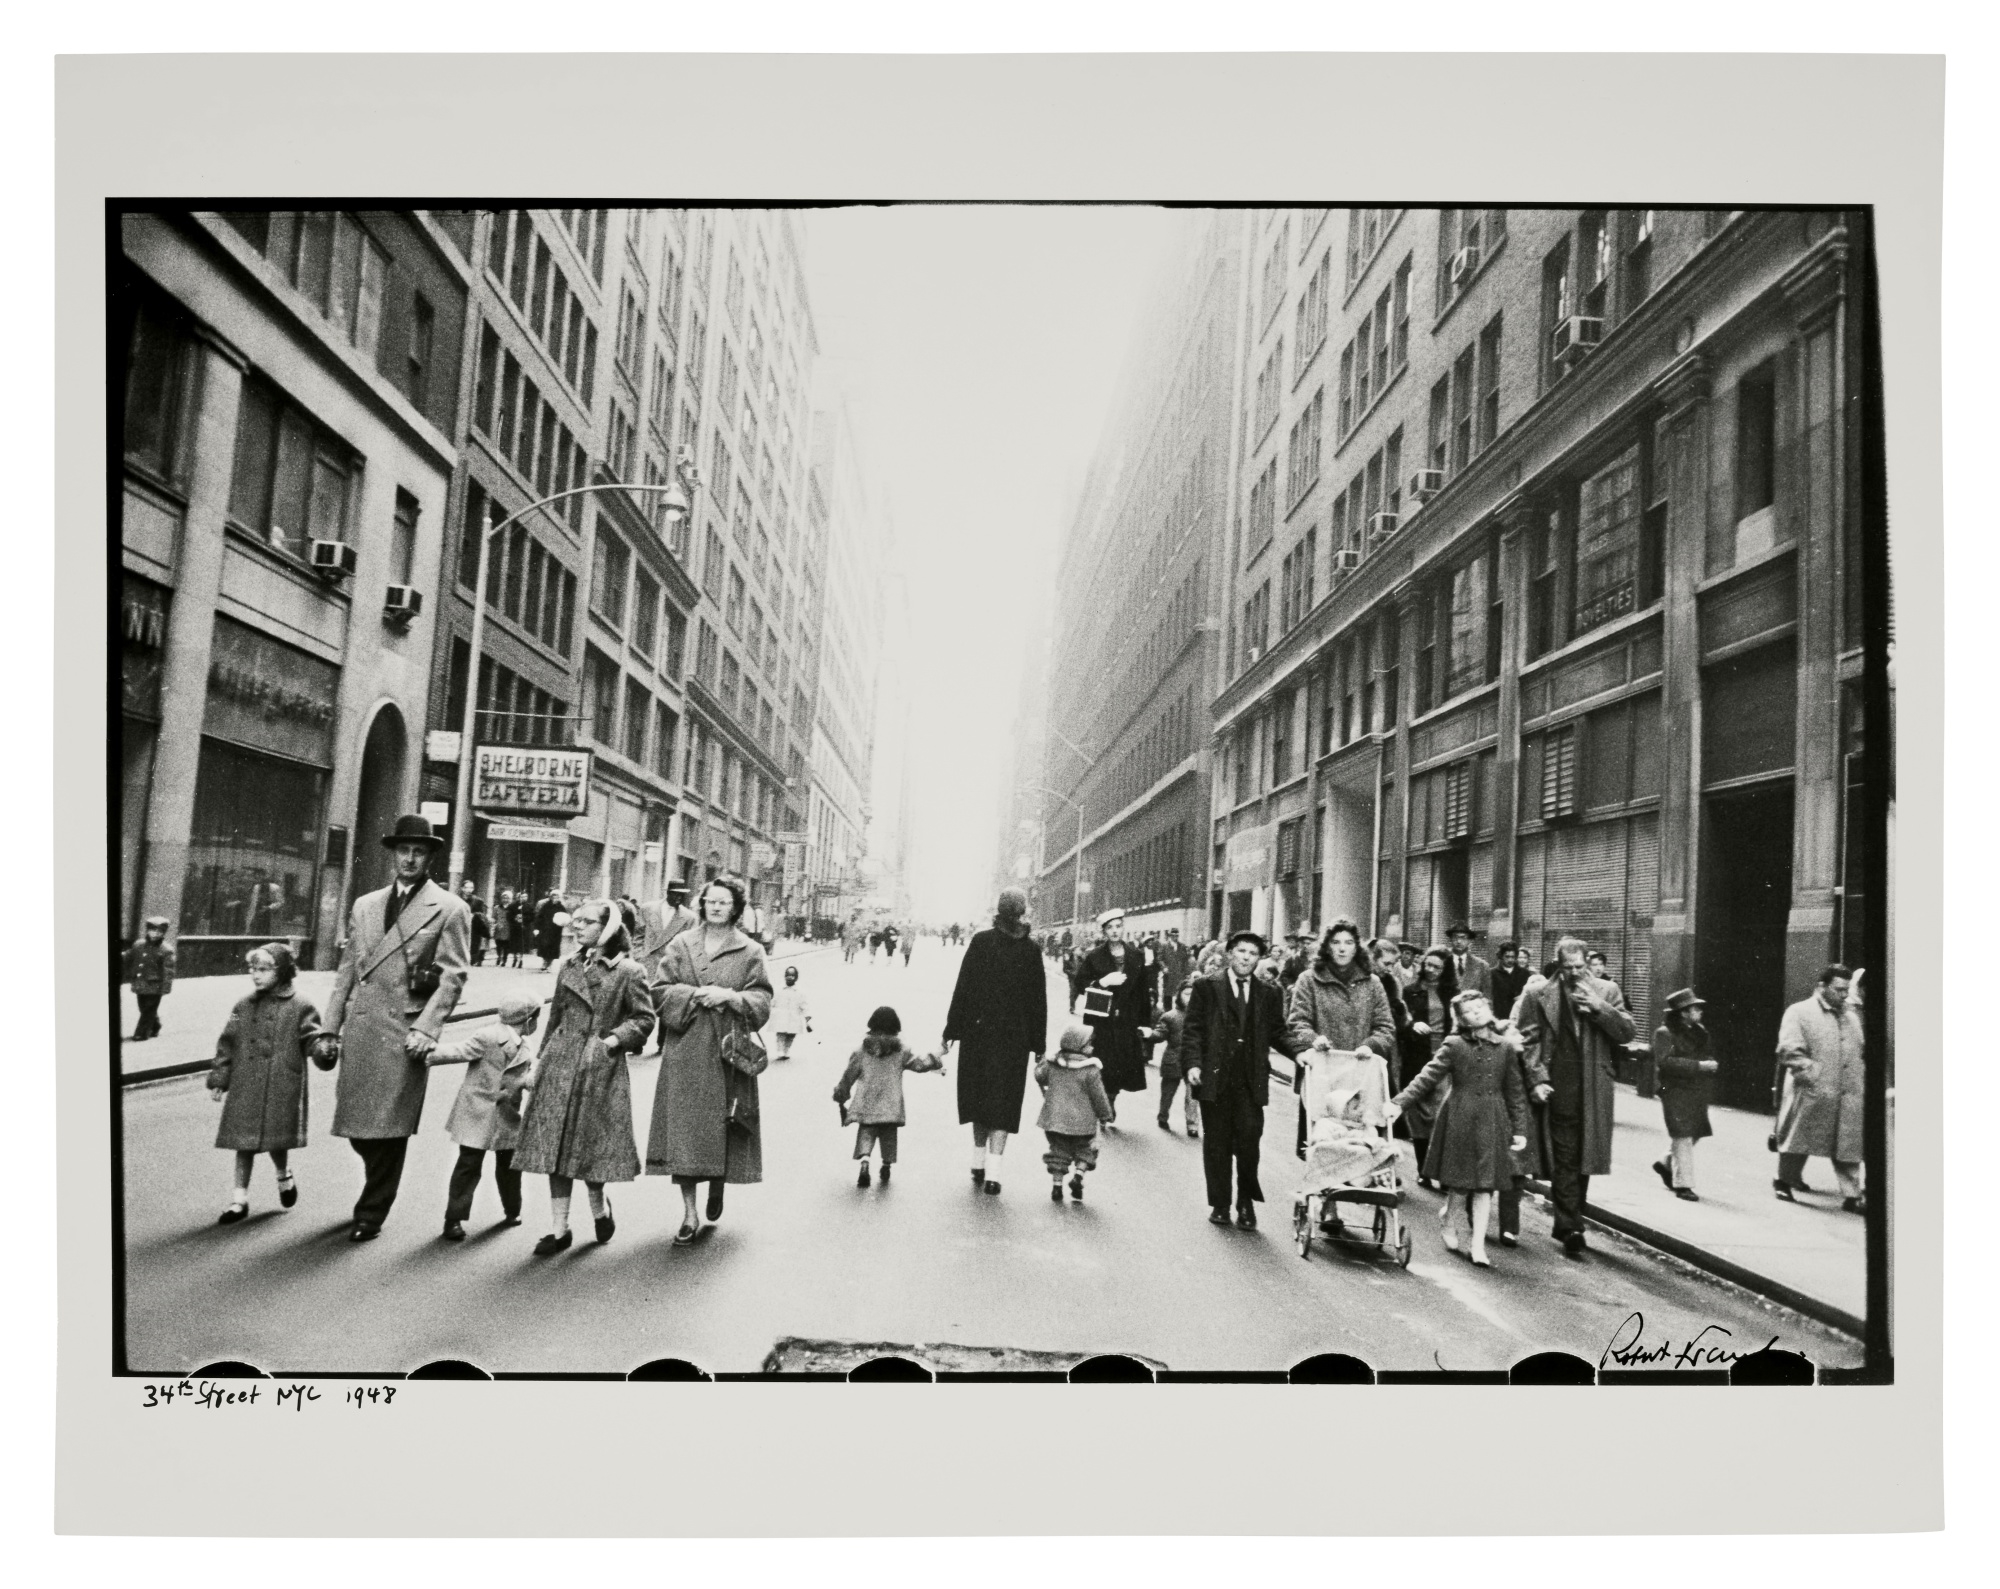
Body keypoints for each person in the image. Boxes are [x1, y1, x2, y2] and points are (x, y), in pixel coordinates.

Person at [316, 815, 472, 1242]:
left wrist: (428, 1029)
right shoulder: (365, 904)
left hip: (404, 1034)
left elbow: (453, 976)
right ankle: (374, 1189)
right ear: (393, 854)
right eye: (403, 850)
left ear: (429, 858)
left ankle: (371, 1211)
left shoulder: (451, 909)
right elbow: (347, 971)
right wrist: (329, 1029)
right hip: (363, 1028)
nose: (410, 858)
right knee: (357, 1128)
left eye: (418, 851)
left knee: (389, 1127)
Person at [510, 901, 653, 1254]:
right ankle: (559, 1230)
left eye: (587, 922)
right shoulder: (568, 965)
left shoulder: (629, 971)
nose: (577, 927)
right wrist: (538, 1064)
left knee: (592, 1149)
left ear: (607, 928)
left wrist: (612, 1040)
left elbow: (644, 1019)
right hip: (560, 1065)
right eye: (575, 921)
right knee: (555, 1151)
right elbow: (555, 1018)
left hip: (599, 1069)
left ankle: (599, 1208)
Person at [647, 877, 775, 1244]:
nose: (715, 907)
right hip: (686, 1048)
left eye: (724, 902)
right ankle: (689, 1214)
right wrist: (694, 995)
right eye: (710, 901)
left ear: (736, 908)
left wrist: (731, 998)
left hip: (728, 1052)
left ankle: (717, 1181)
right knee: (684, 1133)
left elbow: (763, 999)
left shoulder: (750, 951)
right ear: (701, 905)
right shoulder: (681, 944)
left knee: (723, 1125)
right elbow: (659, 991)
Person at [1385, 989, 1530, 1267]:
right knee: (1461, 1183)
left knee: (1485, 1185)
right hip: (1460, 1116)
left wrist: (1520, 1129)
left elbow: (1515, 1092)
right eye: (1469, 1010)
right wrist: (1399, 1103)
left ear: (1489, 1009)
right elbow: (1427, 1077)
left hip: (1493, 1118)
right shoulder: (1454, 1045)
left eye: (1480, 1006)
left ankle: (1477, 1246)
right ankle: (1449, 1219)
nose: (1477, 1012)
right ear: (1461, 1019)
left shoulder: (1505, 1047)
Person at [1516, 934, 1637, 1259]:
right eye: (1567, 967)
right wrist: (1537, 1079)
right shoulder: (1537, 993)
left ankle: (1568, 1220)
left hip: (1594, 1088)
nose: (1573, 973)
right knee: (1565, 1156)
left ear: (1588, 963)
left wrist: (1600, 1009)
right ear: (1558, 964)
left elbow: (1627, 1031)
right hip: (1558, 1086)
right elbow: (1528, 1039)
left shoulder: (1606, 991)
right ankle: (1571, 1226)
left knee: (1585, 1158)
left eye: (1579, 966)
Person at [1181, 930, 1306, 1229]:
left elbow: (1278, 1032)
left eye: (1252, 953)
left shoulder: (1269, 993)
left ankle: (1246, 1201)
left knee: (1250, 1141)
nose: (1246, 958)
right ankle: (1221, 1204)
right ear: (1230, 953)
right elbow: (1193, 1029)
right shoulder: (1206, 987)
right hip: (1215, 1078)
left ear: (1259, 958)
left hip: (1250, 1081)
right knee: (1218, 1144)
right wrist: (1193, 1064)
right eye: (1241, 951)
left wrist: (1301, 1052)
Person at [942, 888, 1047, 1195]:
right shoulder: (1031, 949)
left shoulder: (981, 942)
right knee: (1004, 1101)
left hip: (978, 1035)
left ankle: (977, 1161)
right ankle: (995, 1172)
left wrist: (951, 1032)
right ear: (1023, 913)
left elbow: (963, 988)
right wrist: (1038, 1044)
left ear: (998, 910)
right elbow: (1037, 1001)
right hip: (1013, 1040)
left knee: (978, 1097)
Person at [208, 942, 321, 1225]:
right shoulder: (242, 1006)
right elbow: (228, 1041)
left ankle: (283, 1175)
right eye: (252, 969)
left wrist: (322, 1048)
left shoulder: (301, 1004)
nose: (256, 975)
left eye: (263, 970)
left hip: (280, 1083)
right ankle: (238, 1200)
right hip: (247, 1083)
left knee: (274, 1140)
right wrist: (220, 1077)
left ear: (281, 972)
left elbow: (312, 1037)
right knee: (243, 1142)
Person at [427, 996, 540, 1239]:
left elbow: (527, 1068)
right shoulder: (488, 1036)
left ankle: (512, 1209)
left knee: (510, 1165)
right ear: (528, 1019)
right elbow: (459, 1051)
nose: (537, 1022)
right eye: (537, 1017)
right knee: (468, 1165)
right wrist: (426, 1052)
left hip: (507, 1113)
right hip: (478, 1110)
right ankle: (453, 1219)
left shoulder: (525, 1042)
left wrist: (531, 1079)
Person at [1286, 919, 1397, 1162]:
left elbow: (1386, 1027)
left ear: (1357, 947)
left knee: (1360, 1143)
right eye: (1336, 942)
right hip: (1323, 1072)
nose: (1342, 948)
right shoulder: (1309, 979)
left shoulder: (1372, 982)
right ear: (1327, 947)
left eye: (1348, 942)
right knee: (1320, 1142)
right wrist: (1313, 1040)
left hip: (1361, 1075)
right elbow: (1297, 1022)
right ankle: (1322, 1194)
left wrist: (1371, 1044)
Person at [1773, 964, 1866, 1211]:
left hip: (1848, 1092)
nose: (1844, 995)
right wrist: (1811, 1074)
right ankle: (1783, 1181)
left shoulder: (1850, 1017)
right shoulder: (1799, 1012)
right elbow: (1789, 1049)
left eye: (1847, 990)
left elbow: (1860, 1050)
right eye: (1838, 989)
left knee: (1848, 1144)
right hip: (1812, 1090)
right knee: (1798, 1139)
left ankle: (1852, 1194)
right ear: (1821, 987)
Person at [833, 1005, 944, 1188]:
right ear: (896, 1026)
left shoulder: (862, 1050)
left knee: (866, 1132)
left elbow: (849, 1075)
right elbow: (920, 1065)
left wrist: (841, 1094)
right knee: (888, 1135)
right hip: (891, 1104)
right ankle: (886, 1165)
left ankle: (865, 1162)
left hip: (866, 1102)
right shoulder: (902, 1050)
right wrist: (935, 1057)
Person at [1069, 907, 1154, 1124]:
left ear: (1123, 927)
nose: (1115, 931)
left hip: (1127, 1018)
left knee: (1121, 1065)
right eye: (1110, 928)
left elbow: (1144, 992)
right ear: (1104, 931)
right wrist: (1102, 982)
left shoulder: (1136, 955)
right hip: (1101, 1017)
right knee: (1101, 1062)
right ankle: (1103, 1103)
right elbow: (1079, 983)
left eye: (1118, 926)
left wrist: (1146, 1023)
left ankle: (1111, 1100)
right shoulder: (1095, 956)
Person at [1650, 987, 1718, 1203]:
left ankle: (1665, 1162)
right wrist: (1700, 1066)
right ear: (1683, 1012)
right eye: (1696, 1008)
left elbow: (1705, 1053)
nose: (1700, 1011)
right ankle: (1684, 1184)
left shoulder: (1699, 1031)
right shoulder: (1665, 1033)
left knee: (1694, 1131)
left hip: (1695, 1089)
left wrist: (1709, 1064)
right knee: (1683, 1135)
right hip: (1674, 1090)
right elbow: (1665, 1062)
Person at [1400, 947, 1460, 1187]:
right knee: (1419, 1117)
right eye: (1428, 965)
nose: (1431, 970)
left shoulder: (1453, 993)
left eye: (1437, 967)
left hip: (1445, 1058)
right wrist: (1412, 1025)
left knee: (1441, 1115)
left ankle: (1443, 1172)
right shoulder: (1410, 991)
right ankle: (1424, 1170)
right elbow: (1400, 1023)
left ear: (1446, 971)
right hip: (1418, 1057)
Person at [1036, 1022, 1115, 1203]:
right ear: (1080, 1046)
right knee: (1086, 1150)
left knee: (1058, 1152)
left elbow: (1039, 1075)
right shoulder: (1090, 1070)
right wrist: (1105, 1115)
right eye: (1089, 1044)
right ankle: (1078, 1175)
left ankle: (1057, 1187)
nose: (1092, 1047)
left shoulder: (1054, 1064)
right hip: (1083, 1123)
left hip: (1055, 1121)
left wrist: (1044, 1060)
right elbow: (1099, 1096)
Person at [1155, 983, 1199, 1138]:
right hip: (1173, 1059)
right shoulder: (1170, 1016)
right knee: (1168, 1092)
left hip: (1194, 1062)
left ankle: (1192, 1125)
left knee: (1193, 1095)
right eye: (1186, 994)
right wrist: (1149, 1035)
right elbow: (1160, 1034)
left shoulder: (1202, 1017)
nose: (1190, 998)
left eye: (1193, 994)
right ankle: (1163, 1116)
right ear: (1179, 995)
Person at [123, 914, 176, 1041]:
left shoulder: (166, 950)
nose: (155, 934)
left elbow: (168, 971)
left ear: (164, 933)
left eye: (160, 931)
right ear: (147, 930)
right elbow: (129, 955)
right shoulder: (139, 945)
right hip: (140, 983)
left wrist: (166, 988)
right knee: (144, 1008)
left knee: (148, 1009)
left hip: (155, 986)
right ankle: (156, 1025)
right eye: (153, 930)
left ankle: (141, 1033)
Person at [770, 964, 812, 1059]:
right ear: (785, 977)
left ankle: (787, 1050)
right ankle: (780, 1050)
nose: (789, 978)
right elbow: (772, 1002)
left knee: (791, 1035)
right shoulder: (778, 990)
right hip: (781, 1016)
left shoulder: (800, 992)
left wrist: (807, 1019)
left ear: (796, 978)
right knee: (780, 1034)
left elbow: (804, 1005)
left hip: (794, 1017)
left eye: (792, 976)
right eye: (788, 975)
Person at [1489, 941, 1531, 1022]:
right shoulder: (1492, 974)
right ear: (1501, 956)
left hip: (1518, 1016)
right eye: (1507, 957)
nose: (1510, 960)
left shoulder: (1524, 973)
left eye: (1513, 957)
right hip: (1500, 1016)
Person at [1446, 924, 1491, 998]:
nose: (1459, 941)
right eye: (1455, 937)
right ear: (1450, 939)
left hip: (1472, 1008)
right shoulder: (1442, 962)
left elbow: (1487, 996)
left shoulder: (1482, 966)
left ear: (1469, 940)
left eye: (1463, 938)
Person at [459, 879, 490, 967]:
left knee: (473, 944)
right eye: (467, 887)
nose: (469, 890)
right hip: (460, 925)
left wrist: (474, 915)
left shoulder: (478, 901)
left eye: (471, 888)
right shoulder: (457, 899)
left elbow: (483, 914)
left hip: (474, 927)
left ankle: (472, 959)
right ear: (462, 888)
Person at [492, 889, 515, 968]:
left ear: (510, 899)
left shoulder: (512, 908)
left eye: (507, 898)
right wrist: (495, 924)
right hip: (499, 928)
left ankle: (504, 960)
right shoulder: (497, 908)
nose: (505, 900)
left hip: (508, 928)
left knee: (506, 945)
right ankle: (499, 957)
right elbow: (494, 917)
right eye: (503, 898)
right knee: (498, 944)